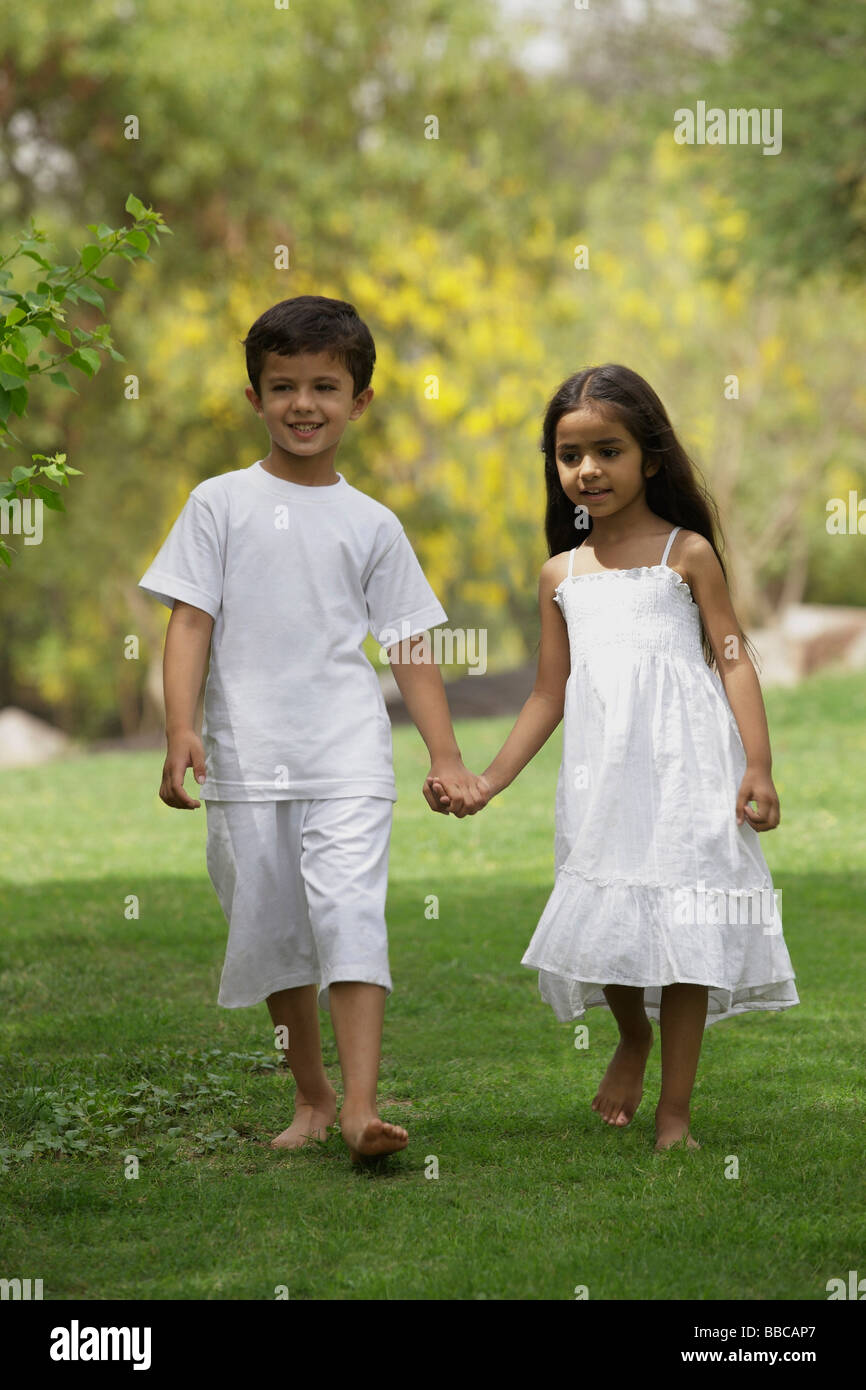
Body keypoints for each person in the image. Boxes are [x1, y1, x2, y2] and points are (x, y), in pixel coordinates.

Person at [139, 295, 484, 1162]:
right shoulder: (218, 504)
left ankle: (365, 1109)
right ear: (254, 396)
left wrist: (443, 753)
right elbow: (189, 623)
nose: (304, 404)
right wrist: (182, 729)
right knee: (272, 928)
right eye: (283, 385)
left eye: (325, 387)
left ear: (360, 401)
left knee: (349, 915)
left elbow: (408, 641)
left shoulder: (373, 523)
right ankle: (313, 1096)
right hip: (248, 759)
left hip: (346, 755)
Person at [427, 363, 798, 1152]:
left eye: (608, 449)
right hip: (605, 777)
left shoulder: (686, 554)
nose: (587, 469)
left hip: (690, 768)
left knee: (687, 920)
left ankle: (675, 1117)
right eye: (569, 455)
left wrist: (757, 768)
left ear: (649, 459)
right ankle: (633, 1035)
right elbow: (546, 695)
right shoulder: (561, 574)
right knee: (615, 917)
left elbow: (732, 657)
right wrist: (487, 781)